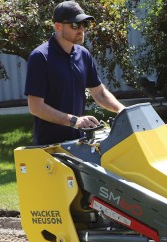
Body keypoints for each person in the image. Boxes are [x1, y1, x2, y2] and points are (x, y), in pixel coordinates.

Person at [25, 1, 125, 146]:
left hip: (79, 143)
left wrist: (122, 111)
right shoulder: (40, 57)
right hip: (49, 147)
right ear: (58, 26)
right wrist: (74, 121)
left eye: (84, 24)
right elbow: (35, 107)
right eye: (75, 25)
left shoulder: (83, 55)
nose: (81, 29)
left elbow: (99, 93)